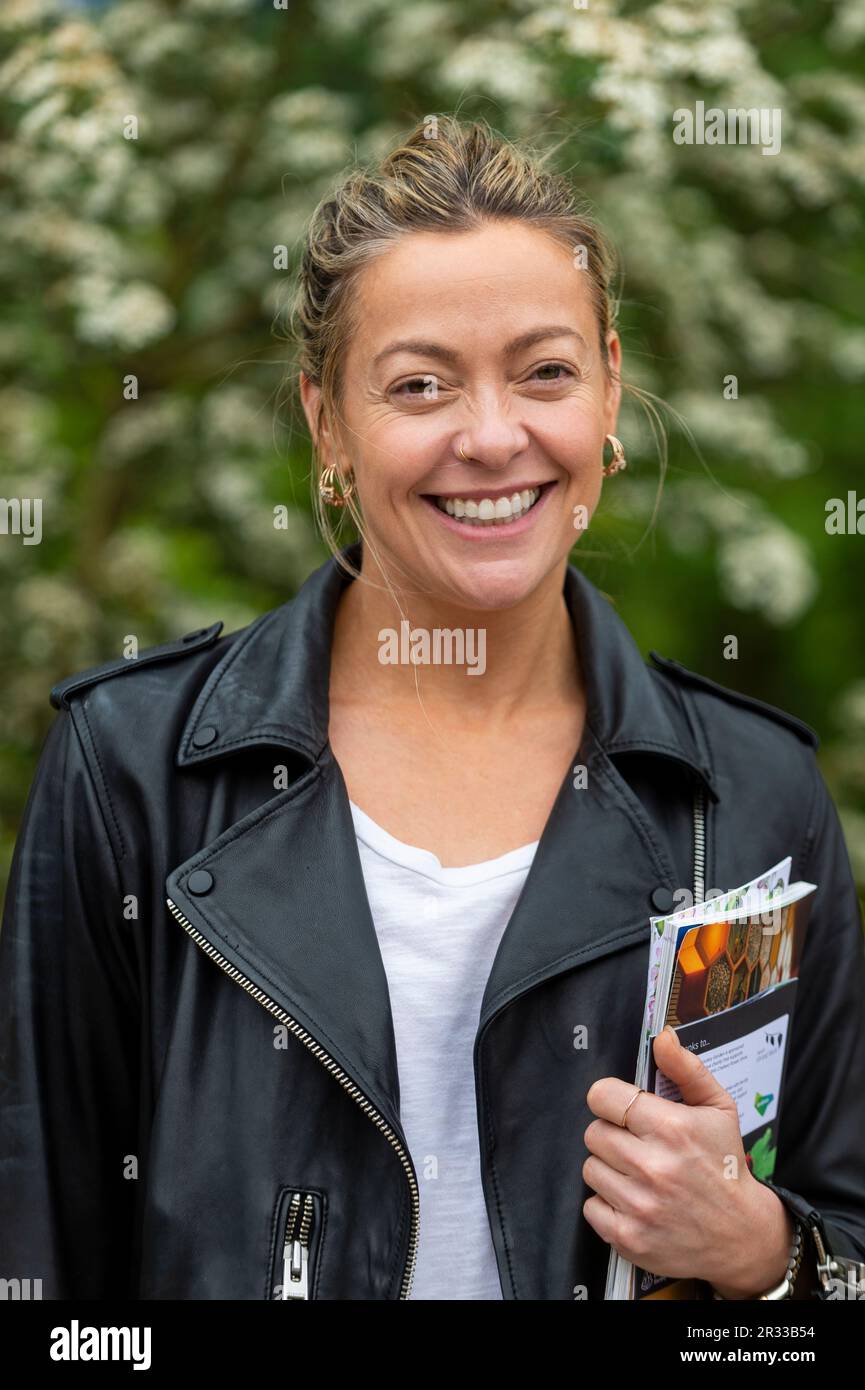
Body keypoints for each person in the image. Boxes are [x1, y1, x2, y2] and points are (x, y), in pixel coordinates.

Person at [1, 115, 864, 1301]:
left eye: (545, 371)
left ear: (611, 389)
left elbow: (844, 1246)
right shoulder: (133, 773)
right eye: (419, 384)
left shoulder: (752, 798)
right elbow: (39, 1260)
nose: (493, 435)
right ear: (326, 424)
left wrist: (765, 1260)